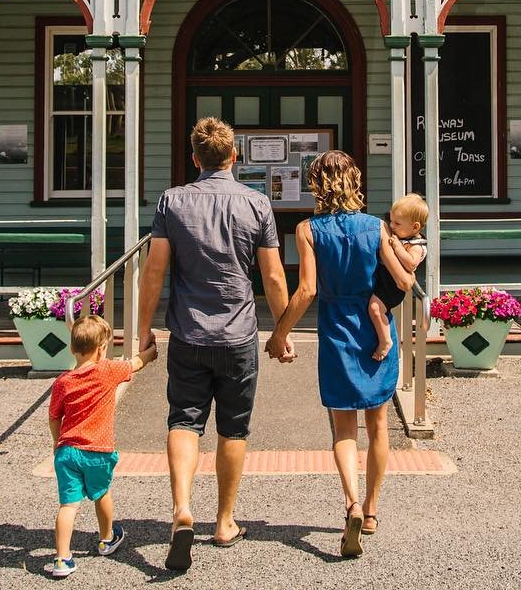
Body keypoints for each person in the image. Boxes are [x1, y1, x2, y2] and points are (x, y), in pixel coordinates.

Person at [137, 117, 294, 572]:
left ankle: (182, 510)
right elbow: (273, 276)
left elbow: (154, 271)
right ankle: (224, 521)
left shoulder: (172, 201)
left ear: (194, 158)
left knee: (184, 421)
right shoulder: (256, 204)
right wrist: (281, 333)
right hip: (238, 335)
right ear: (234, 157)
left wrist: (143, 330)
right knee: (233, 428)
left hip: (187, 332)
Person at [267, 150, 406, 559]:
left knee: (344, 429)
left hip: (336, 327)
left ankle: (352, 504)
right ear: (354, 181)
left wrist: (280, 334)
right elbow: (401, 277)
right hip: (372, 321)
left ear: (316, 182)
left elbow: (306, 290)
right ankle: (374, 509)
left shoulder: (307, 229)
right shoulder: (376, 226)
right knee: (378, 425)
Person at [47, 314, 157, 579]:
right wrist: (151, 351)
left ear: (72, 348)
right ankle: (107, 537)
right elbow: (135, 364)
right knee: (101, 493)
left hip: (67, 451)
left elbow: (54, 417)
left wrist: (56, 442)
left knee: (68, 506)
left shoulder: (63, 382)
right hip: (98, 450)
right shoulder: (107, 371)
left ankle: (62, 558)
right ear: (101, 349)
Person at [368, 193, 428, 361]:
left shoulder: (417, 246)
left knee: (374, 308)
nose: (392, 226)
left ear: (415, 227)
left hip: (392, 286)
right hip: (384, 278)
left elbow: (410, 264)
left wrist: (397, 247)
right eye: (391, 221)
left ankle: (386, 340)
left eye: (397, 223)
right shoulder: (401, 236)